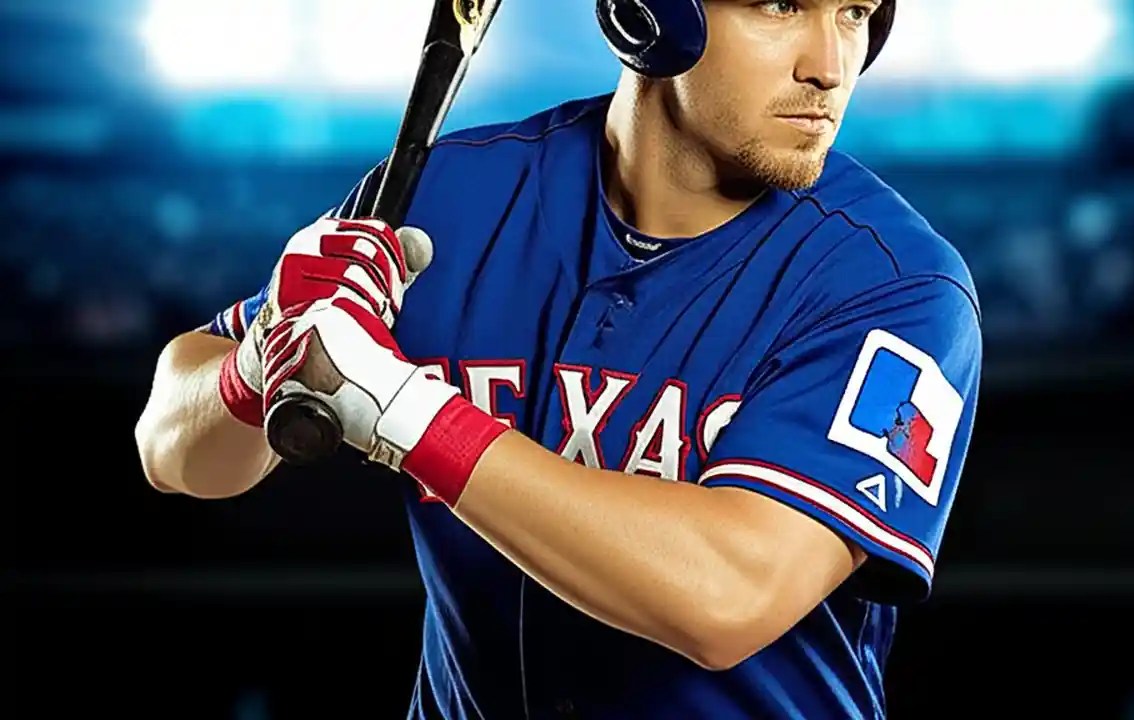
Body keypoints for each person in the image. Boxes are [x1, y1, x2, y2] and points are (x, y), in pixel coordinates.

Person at [134, 1, 982, 717]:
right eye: (779, 6)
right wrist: (262, 359)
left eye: (856, 14)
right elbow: (175, 453)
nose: (832, 66)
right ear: (645, 14)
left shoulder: (896, 283)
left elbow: (729, 597)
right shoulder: (445, 199)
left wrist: (401, 410)